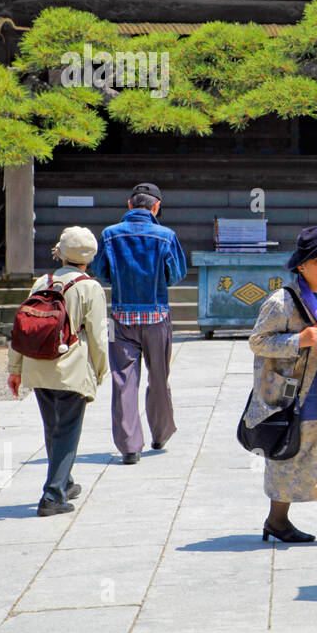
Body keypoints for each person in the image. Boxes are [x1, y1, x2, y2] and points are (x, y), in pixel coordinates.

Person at [246, 226, 317, 547]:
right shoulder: (282, 301)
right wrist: (299, 340)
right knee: (291, 458)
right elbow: (258, 341)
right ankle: (277, 521)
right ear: (301, 265)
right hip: (298, 395)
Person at [6, 227, 109, 516]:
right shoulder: (90, 288)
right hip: (71, 369)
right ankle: (52, 496)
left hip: (37, 366)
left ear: (61, 252)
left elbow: (21, 327)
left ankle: (66, 480)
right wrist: (100, 372)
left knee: (53, 428)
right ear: (89, 258)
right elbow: (99, 338)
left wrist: (16, 369)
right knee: (66, 431)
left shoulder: (42, 282)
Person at [91, 182, 186, 465]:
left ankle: (130, 447)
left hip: (122, 318)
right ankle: (161, 433)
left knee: (123, 382)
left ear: (129, 205)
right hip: (157, 316)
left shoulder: (109, 235)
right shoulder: (166, 235)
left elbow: (101, 273)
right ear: (156, 207)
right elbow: (176, 274)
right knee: (159, 378)